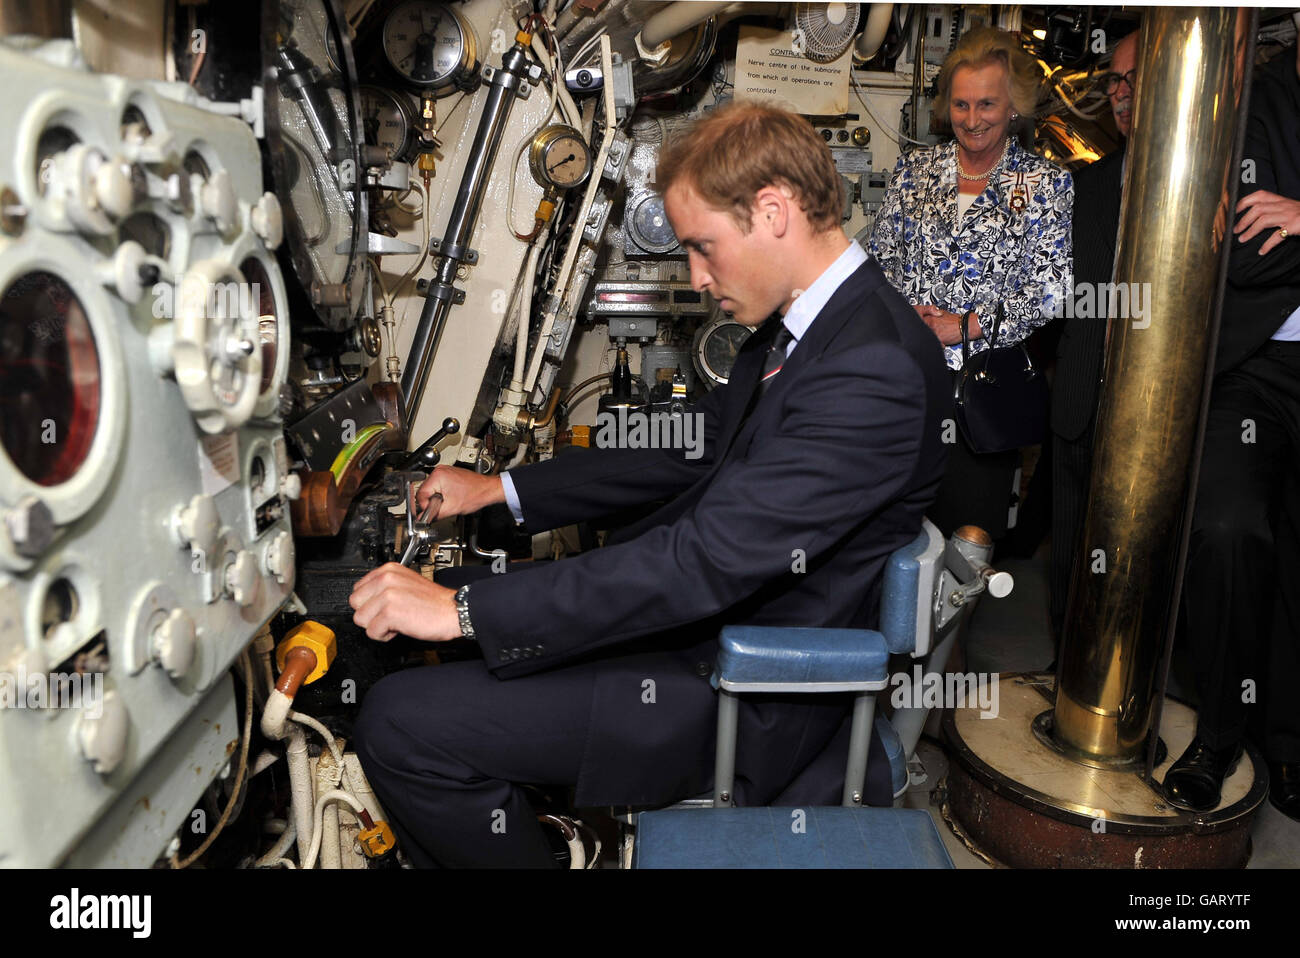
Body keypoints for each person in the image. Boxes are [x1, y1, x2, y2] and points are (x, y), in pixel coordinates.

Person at [348, 102, 953, 866]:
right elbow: (688, 448)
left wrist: (464, 611)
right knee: (447, 614)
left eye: (703, 248)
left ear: (773, 211)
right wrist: (501, 490)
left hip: (746, 688)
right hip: (703, 637)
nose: (699, 279)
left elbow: (703, 562)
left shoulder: (873, 370)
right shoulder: (805, 330)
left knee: (399, 723)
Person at [1165, 41, 1300, 819]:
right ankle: (1218, 737)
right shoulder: (1253, 97)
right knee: (1226, 530)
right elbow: (1248, 254)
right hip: (1252, 365)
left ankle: (1287, 743)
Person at [869, 26, 1073, 540]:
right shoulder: (914, 171)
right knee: (890, 536)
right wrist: (904, 316)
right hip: (905, 386)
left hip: (983, 394)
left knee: (967, 542)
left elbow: (1051, 291)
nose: (972, 118)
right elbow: (880, 260)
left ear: (1013, 108)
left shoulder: (1046, 184)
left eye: (987, 104)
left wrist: (967, 325)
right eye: (960, 105)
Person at [1049, 29, 1138, 647]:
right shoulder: (1087, 186)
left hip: (1162, 422)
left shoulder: (1217, 187)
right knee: (1072, 573)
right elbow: (1059, 294)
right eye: (1116, 82)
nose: (1122, 94)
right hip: (1081, 404)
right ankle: (1062, 689)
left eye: (1138, 81)